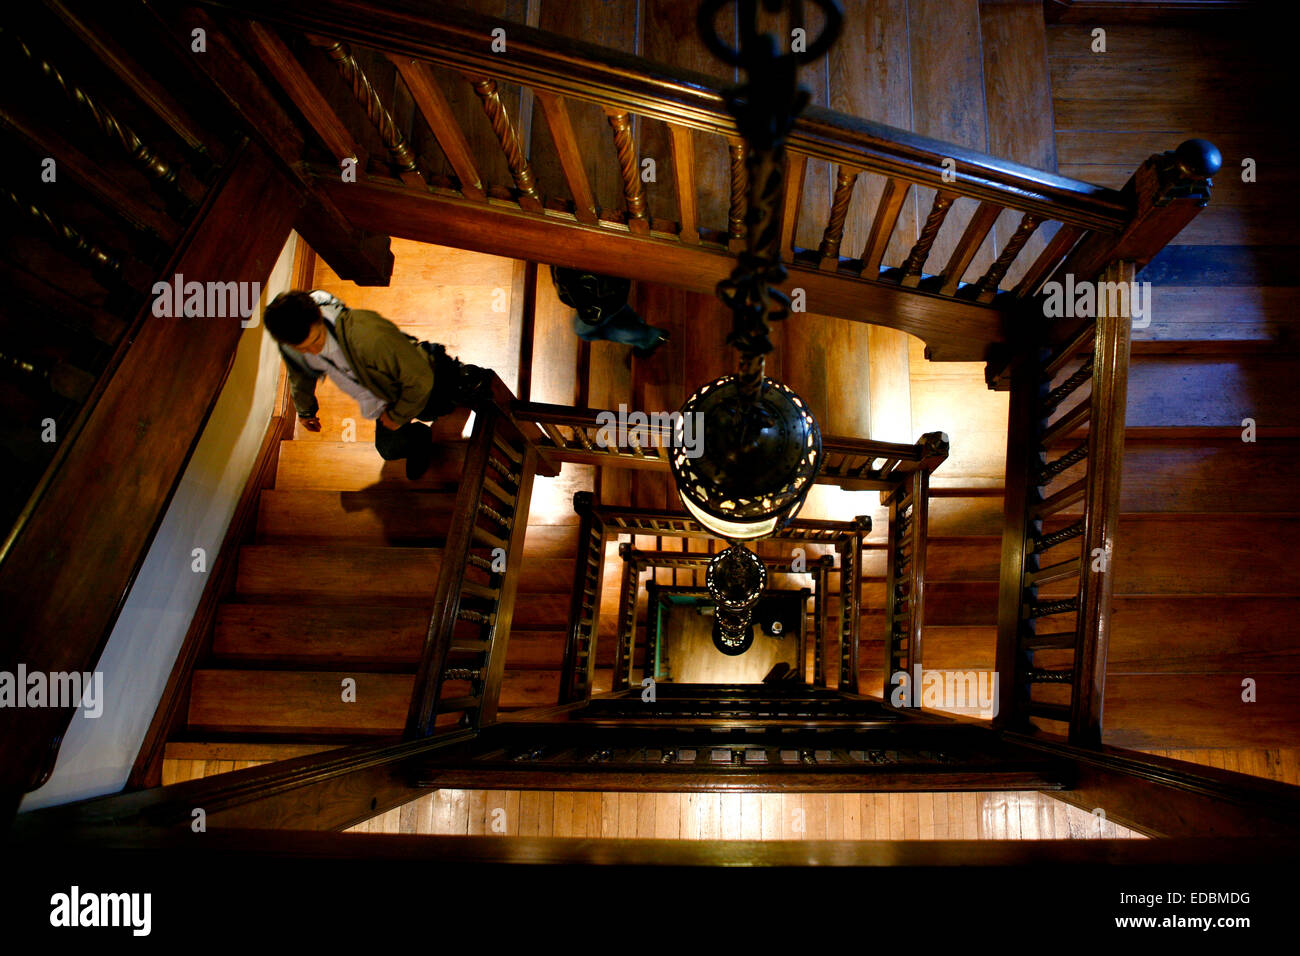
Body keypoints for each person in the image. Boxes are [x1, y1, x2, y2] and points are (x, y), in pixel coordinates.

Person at [263, 289, 489, 479]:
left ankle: (468, 381)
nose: (314, 352)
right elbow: (300, 374)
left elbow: (420, 379)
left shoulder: (366, 333)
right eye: (303, 349)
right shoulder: (294, 344)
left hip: (424, 375)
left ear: (320, 318)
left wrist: (396, 417)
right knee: (389, 449)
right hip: (384, 393)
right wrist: (305, 411)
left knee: (441, 403)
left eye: (316, 341)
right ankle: (420, 438)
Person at [551, 266, 669, 357]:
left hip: (606, 297)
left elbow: (593, 315)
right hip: (610, 289)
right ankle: (649, 336)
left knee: (583, 330)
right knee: (594, 326)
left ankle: (649, 337)